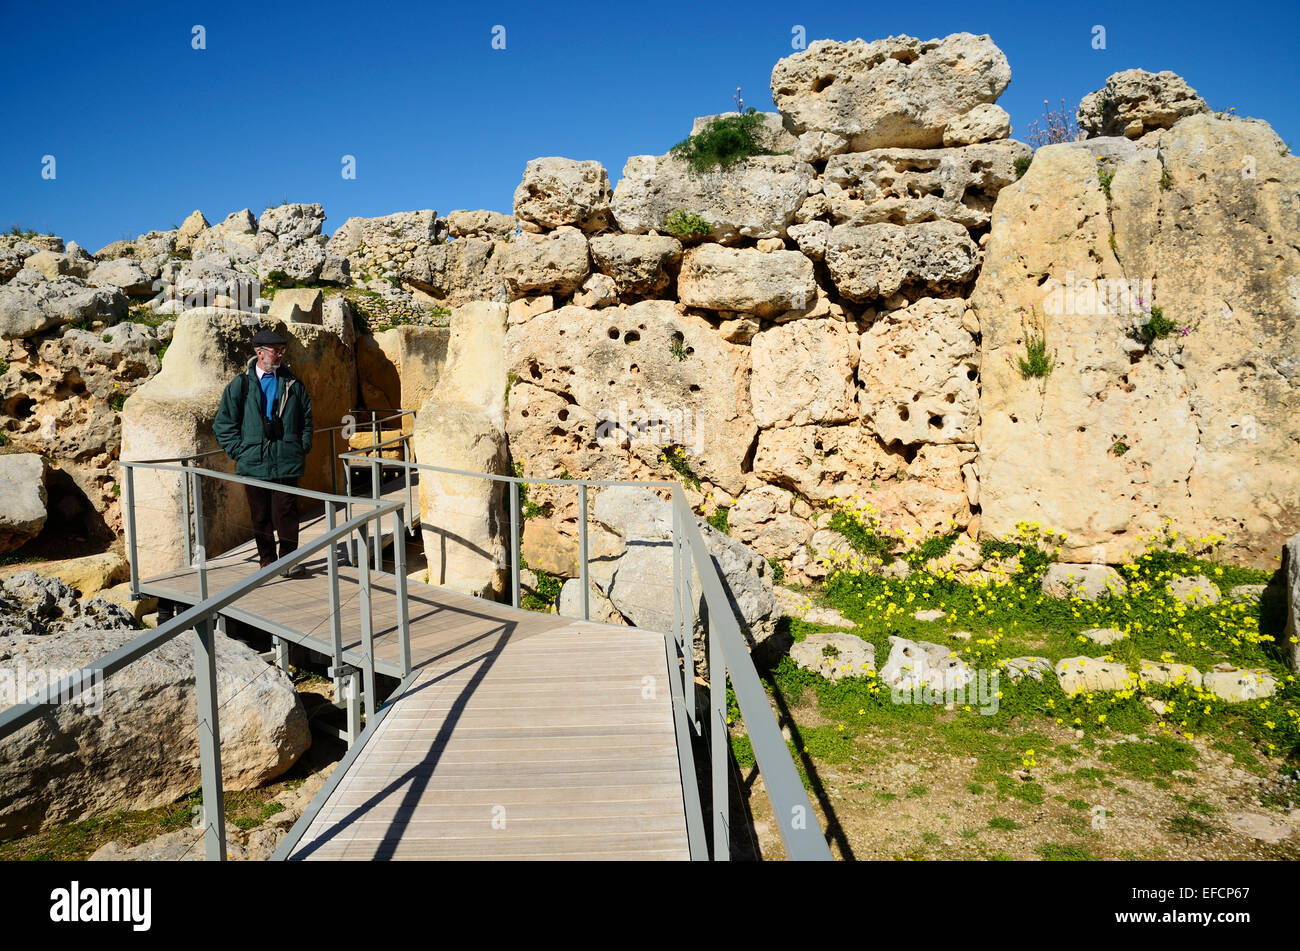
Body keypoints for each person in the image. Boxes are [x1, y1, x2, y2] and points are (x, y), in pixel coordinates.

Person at [213, 328, 314, 577]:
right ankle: (267, 560)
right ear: (260, 353)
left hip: (286, 459)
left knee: (287, 512)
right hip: (253, 461)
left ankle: (288, 561)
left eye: (282, 351)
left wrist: (300, 447)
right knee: (260, 515)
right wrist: (241, 451)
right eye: (275, 351)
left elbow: (307, 420)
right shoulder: (240, 386)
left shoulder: (293, 383)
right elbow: (223, 425)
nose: (280, 355)